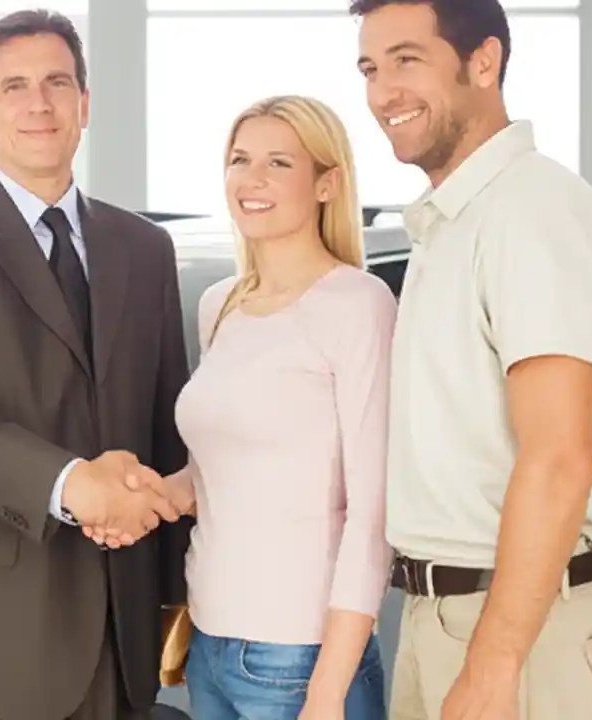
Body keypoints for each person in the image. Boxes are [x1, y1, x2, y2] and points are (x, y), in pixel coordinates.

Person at [0, 8, 193, 720]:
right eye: (14, 87)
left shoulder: (145, 249)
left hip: (123, 630)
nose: (39, 103)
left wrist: (177, 591)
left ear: (85, 103)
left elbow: (164, 419)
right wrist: (75, 484)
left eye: (57, 82)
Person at [351, 1, 592, 718]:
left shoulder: (531, 208)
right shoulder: (450, 223)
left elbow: (558, 455)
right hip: (442, 619)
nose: (383, 91)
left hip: (524, 635)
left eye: (407, 59)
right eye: (369, 68)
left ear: (483, 62)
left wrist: (493, 665)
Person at [157, 95, 396, 720]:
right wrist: (134, 491)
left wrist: (327, 690)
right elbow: (213, 477)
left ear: (327, 182)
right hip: (209, 644)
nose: (251, 179)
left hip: (300, 657)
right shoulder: (221, 304)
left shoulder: (357, 304)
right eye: (239, 159)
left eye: (278, 163)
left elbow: (372, 513)